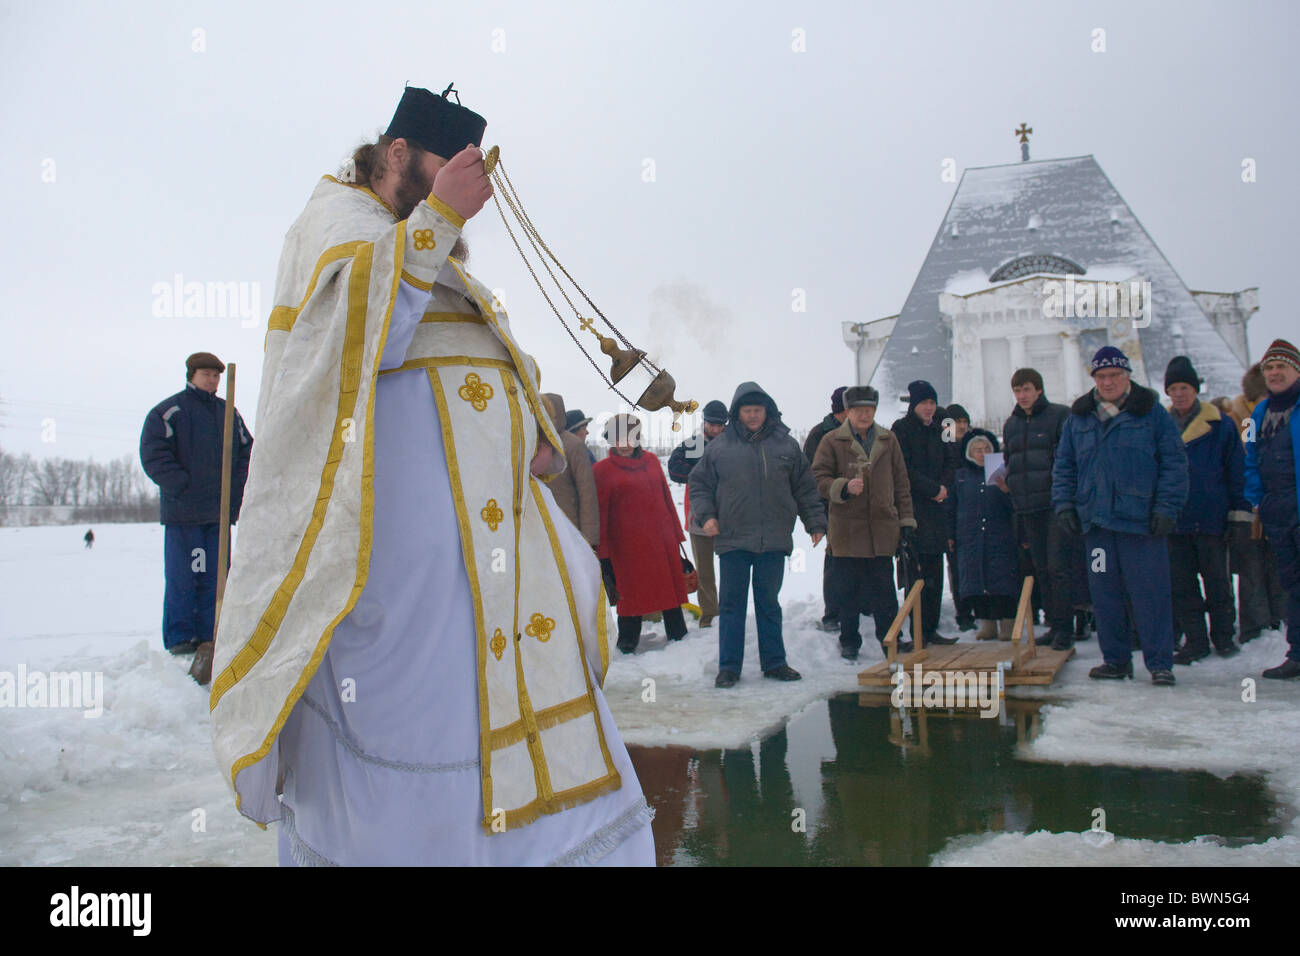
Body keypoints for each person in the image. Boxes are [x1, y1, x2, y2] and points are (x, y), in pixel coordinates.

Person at [209, 85, 654, 865]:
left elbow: (481, 372)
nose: (458, 192)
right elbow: (356, 348)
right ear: (396, 155)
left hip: (479, 564)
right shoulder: (336, 224)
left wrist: (534, 441)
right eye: (445, 168)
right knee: (413, 733)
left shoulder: (422, 247)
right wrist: (440, 216)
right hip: (387, 569)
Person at [1052, 346, 1188, 685]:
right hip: (1097, 528)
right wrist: (1065, 506)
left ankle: (1159, 663)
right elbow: (1064, 466)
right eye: (1101, 376)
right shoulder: (1079, 417)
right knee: (1104, 594)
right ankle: (1115, 660)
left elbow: (1174, 464)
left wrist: (1166, 509)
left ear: (1127, 376)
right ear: (1094, 379)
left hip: (1140, 525)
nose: (1108, 381)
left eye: (1114, 375)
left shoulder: (1152, 414)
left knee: (1150, 593)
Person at [688, 381, 826, 687]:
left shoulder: (786, 446)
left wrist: (815, 522)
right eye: (747, 410)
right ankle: (729, 667)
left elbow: (805, 486)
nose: (753, 416)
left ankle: (775, 663)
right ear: (737, 413)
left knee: (768, 602)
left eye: (758, 410)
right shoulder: (720, 447)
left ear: (768, 411)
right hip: (734, 539)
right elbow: (699, 485)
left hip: (774, 539)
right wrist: (707, 515)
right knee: (732, 605)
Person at [139, 352, 252, 656]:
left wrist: (236, 490)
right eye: (206, 375)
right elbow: (153, 454)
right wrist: (181, 484)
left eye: (216, 376)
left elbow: (246, 452)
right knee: (184, 576)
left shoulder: (228, 413)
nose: (212, 380)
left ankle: (210, 635)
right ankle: (180, 638)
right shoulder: (170, 411)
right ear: (191, 376)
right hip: (184, 514)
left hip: (218, 513)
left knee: (216, 578)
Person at [810, 385, 916, 660]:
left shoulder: (888, 440)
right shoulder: (832, 441)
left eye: (869, 410)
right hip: (847, 529)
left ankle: (890, 638)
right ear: (848, 412)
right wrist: (842, 487)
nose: (864, 415)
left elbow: (901, 482)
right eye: (858, 410)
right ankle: (849, 640)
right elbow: (818, 478)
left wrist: (906, 520)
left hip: (882, 528)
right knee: (848, 591)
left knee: (884, 590)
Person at [1162, 356, 1251, 664]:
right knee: (1183, 585)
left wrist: (1239, 513)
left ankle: (1224, 637)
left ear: (1195, 388)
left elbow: (1236, 469)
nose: (1179, 393)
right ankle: (1195, 640)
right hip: (1175, 521)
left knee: (1218, 583)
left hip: (1211, 517)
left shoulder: (1221, 425)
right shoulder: (1161, 426)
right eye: (1173, 388)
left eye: (1184, 386)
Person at [594, 413, 689, 652]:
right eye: (618, 438)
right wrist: (603, 553)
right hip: (627, 547)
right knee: (630, 594)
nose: (625, 443)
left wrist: (676, 535)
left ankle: (678, 634)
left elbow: (666, 498)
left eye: (630, 437)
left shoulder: (652, 460)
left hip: (661, 540)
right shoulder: (602, 471)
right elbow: (600, 515)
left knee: (669, 589)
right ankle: (627, 641)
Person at [1002, 368, 1076, 650]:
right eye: (1018, 391)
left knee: (1059, 568)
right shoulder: (1011, 424)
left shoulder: (1059, 415)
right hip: (1026, 505)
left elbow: (1066, 458)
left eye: (1027, 390)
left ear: (1039, 390)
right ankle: (1054, 625)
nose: (1022, 396)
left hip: (1054, 504)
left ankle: (1065, 629)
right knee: (1041, 569)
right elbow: (1009, 459)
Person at [1243, 339, 1300, 679]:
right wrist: (1258, 500)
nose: (1275, 373)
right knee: (1292, 584)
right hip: (1277, 511)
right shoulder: (1261, 412)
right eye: (1269, 368)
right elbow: (1250, 457)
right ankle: (1298, 653)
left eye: (1282, 366)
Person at [890, 381, 958, 645]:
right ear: (913, 405)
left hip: (939, 506)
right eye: (923, 403)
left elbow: (954, 457)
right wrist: (931, 489)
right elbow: (903, 468)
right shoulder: (901, 429)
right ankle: (917, 630)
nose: (929, 408)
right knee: (915, 573)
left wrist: (944, 487)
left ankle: (931, 628)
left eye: (932, 402)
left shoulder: (946, 423)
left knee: (935, 572)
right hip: (915, 506)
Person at [1229, 363, 1287, 643]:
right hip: (1247, 506)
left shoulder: (1285, 415)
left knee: (1281, 566)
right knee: (1251, 570)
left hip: (1281, 506)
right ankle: (1253, 629)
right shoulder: (1236, 418)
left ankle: (1282, 622)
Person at [950, 430, 1020, 640]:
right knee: (977, 582)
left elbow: (1014, 506)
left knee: (1002, 580)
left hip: (999, 535)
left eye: (986, 449)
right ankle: (987, 623)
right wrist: (951, 533)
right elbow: (952, 506)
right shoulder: (961, 476)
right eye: (977, 450)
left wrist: (1007, 490)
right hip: (970, 536)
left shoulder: (1000, 472)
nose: (981, 454)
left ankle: (1008, 624)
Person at [667, 399, 729, 627]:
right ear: (704, 421)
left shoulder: (734, 443)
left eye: (719, 424)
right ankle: (709, 616)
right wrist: (700, 474)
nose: (715, 428)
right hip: (698, 519)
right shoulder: (693, 444)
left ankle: (730, 612)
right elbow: (673, 468)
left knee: (732, 568)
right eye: (711, 423)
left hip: (731, 517)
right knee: (704, 572)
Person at [803, 386, 849, 633]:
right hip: (830, 507)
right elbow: (811, 475)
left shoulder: (861, 432)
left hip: (860, 508)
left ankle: (860, 605)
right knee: (836, 560)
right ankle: (833, 612)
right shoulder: (820, 434)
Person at [541, 393, 599, 548]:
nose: (587, 432)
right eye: (583, 428)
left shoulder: (573, 446)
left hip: (569, 526)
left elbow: (587, 493)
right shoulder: (533, 441)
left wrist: (588, 539)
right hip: (542, 525)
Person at [941, 403, 976, 632]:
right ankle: (963, 612)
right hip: (953, 513)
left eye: (964, 421)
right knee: (957, 565)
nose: (961, 426)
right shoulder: (944, 449)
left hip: (977, 511)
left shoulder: (977, 443)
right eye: (956, 422)